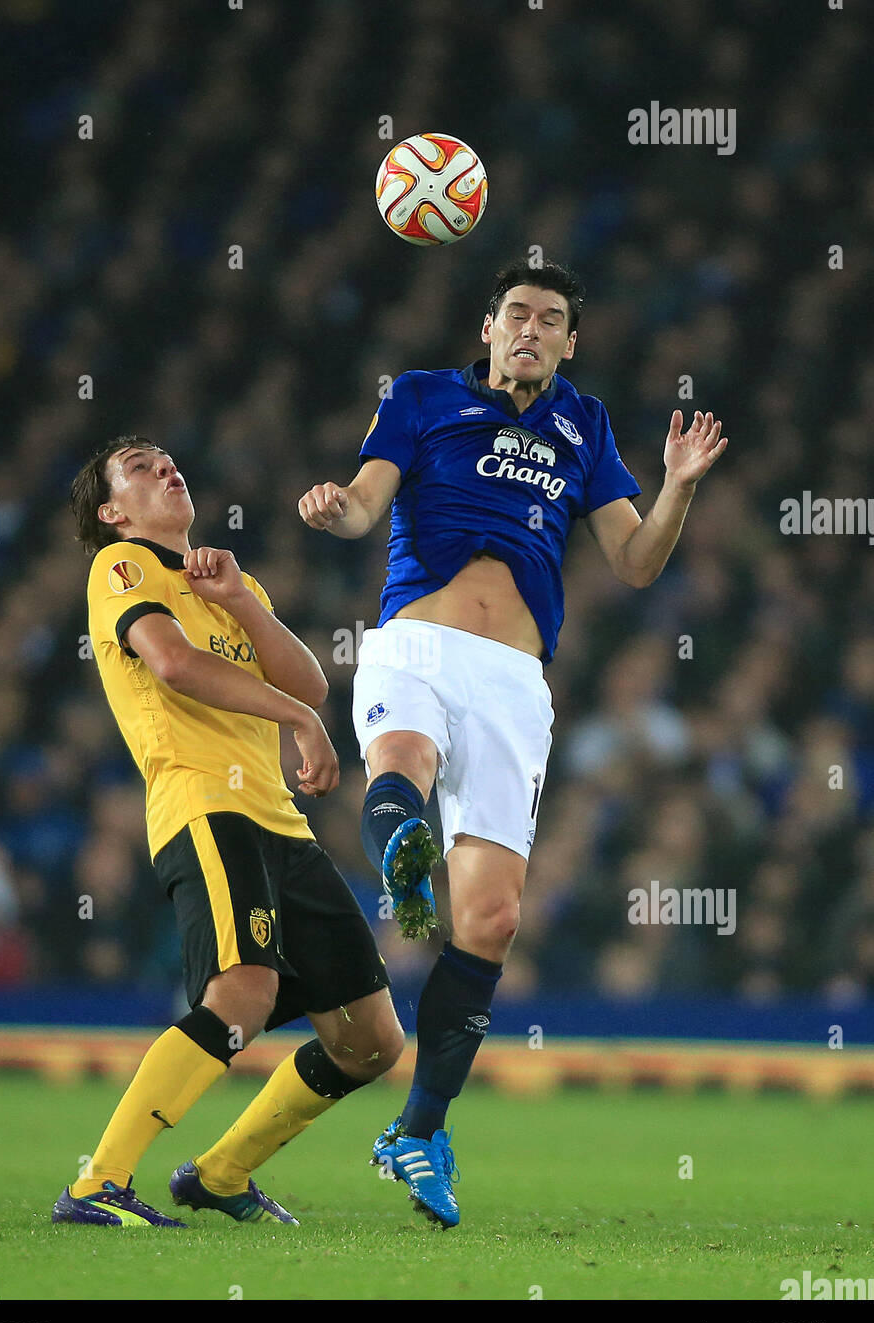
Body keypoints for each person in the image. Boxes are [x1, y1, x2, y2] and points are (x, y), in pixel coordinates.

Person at [298, 257, 728, 1227]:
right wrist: (338, 509)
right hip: (418, 640)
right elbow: (368, 498)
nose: (531, 328)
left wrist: (678, 487)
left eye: (551, 318)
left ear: (571, 342)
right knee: (400, 764)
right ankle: (404, 851)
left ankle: (418, 1128)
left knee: (488, 922)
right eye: (516, 313)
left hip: (515, 684)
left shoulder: (585, 424)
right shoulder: (420, 397)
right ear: (486, 327)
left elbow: (636, 562)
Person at [54, 435, 403, 1228]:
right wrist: (296, 719)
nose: (165, 468)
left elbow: (310, 680)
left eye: (169, 459)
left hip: (278, 821)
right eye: (139, 468)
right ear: (113, 512)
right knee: (243, 989)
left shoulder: (225, 581)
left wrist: (241, 601)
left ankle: (218, 1174)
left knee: (370, 1039)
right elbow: (174, 664)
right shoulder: (122, 567)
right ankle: (95, 1183)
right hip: (203, 803)